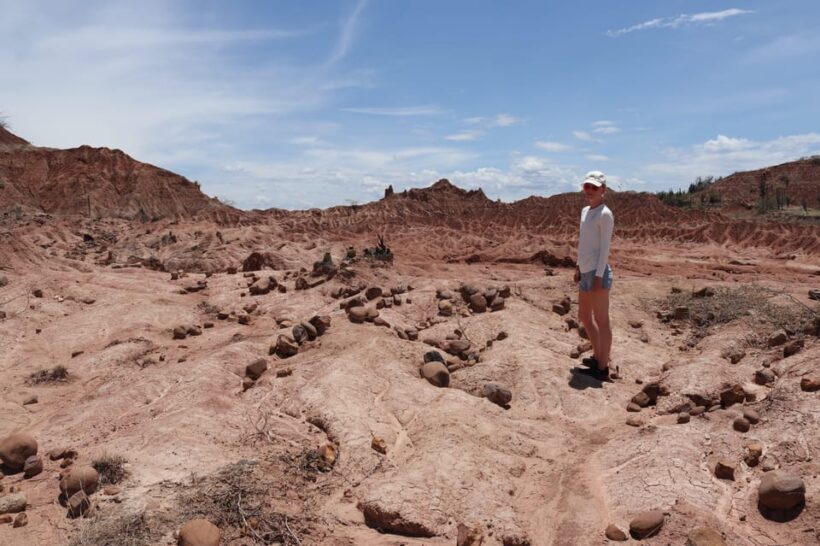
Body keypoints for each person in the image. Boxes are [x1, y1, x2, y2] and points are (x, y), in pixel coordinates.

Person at [573, 171, 614, 381]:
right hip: (585, 271)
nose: (589, 190)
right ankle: (598, 356)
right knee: (584, 316)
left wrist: (598, 276)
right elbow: (584, 243)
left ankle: (602, 367)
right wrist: (578, 267)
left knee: (601, 320)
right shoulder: (585, 211)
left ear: (603, 190)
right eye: (587, 186)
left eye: (594, 187)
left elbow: (605, 248)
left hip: (598, 272)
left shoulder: (605, 214)